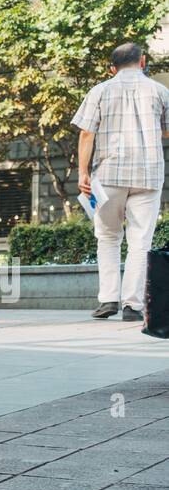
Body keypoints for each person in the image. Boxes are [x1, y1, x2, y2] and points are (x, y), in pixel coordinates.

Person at [73, 42, 169, 322]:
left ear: (112, 67)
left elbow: (86, 134)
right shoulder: (160, 91)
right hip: (148, 175)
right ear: (143, 62)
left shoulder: (100, 91)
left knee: (108, 237)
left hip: (109, 175)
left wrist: (83, 173)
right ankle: (133, 306)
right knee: (140, 241)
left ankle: (108, 300)